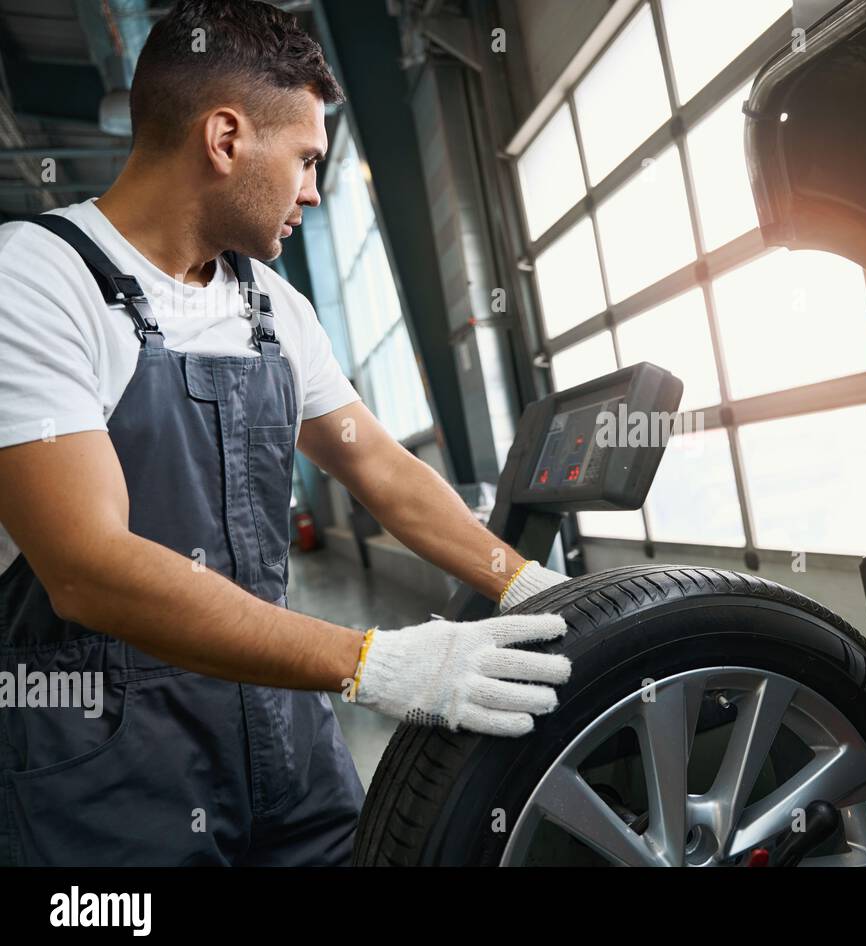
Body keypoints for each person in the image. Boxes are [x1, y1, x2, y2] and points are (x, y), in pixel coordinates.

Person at [0, 0, 569, 867]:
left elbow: (376, 463)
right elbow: (88, 568)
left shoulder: (272, 305)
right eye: (307, 159)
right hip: (102, 771)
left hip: (282, 737)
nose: (311, 189)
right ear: (225, 139)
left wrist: (524, 585)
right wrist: (374, 662)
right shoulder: (37, 279)